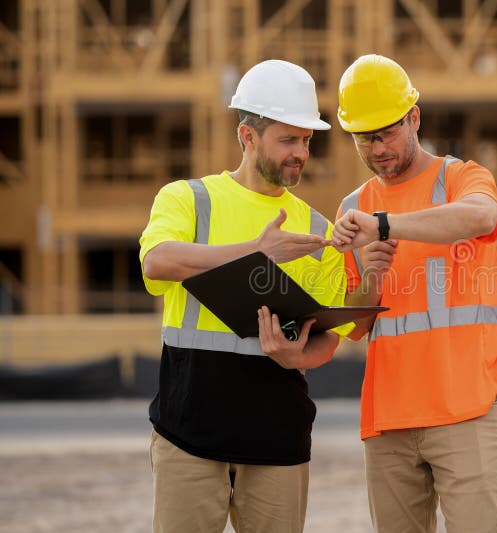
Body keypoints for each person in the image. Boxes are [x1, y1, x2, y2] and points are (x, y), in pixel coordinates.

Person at [139, 59, 349, 533]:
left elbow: (327, 338)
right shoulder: (188, 199)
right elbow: (157, 262)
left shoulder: (317, 230)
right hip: (188, 435)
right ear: (247, 136)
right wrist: (257, 251)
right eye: (288, 140)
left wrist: (298, 357)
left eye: (307, 141)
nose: (301, 153)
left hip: (278, 439)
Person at [332, 54, 497, 532]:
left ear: (414, 118)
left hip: (465, 409)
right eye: (364, 138)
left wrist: (385, 224)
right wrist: (371, 275)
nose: (377, 148)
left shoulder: (461, 177)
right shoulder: (352, 207)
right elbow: (355, 327)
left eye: (387, 133)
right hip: (388, 420)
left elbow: (481, 216)